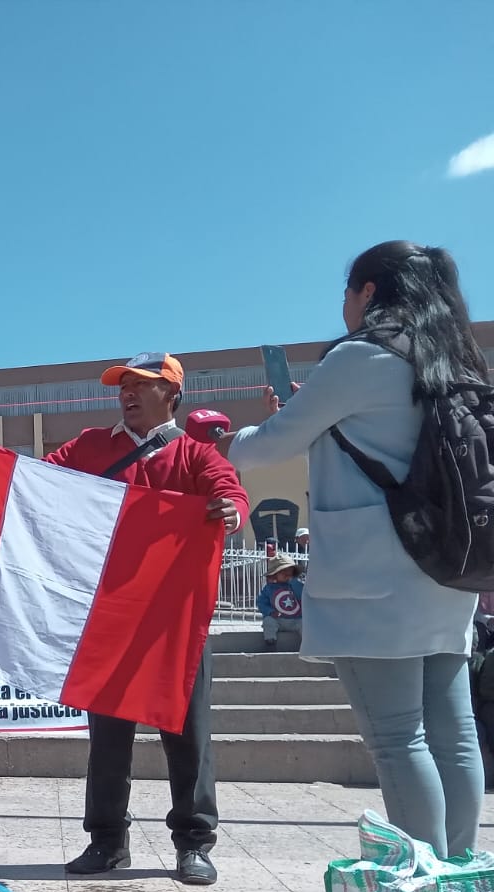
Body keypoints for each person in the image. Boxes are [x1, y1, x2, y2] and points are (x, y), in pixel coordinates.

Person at [214, 241, 485, 857]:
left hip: (376, 575)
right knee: (454, 733)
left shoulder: (362, 355)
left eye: (346, 292)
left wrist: (239, 437)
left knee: (397, 738)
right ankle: (461, 874)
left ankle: (422, 886)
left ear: (368, 292)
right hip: (450, 567)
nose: (343, 305)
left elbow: (268, 444)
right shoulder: (455, 357)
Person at [47, 352, 247, 886]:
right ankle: (107, 841)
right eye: (123, 385)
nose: (128, 393)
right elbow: (38, 481)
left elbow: (230, 493)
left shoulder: (195, 454)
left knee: (188, 735)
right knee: (107, 738)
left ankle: (194, 843)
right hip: (109, 617)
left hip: (175, 620)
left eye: (141, 384)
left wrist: (231, 512)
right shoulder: (90, 445)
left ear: (172, 394)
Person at [257, 554, 304, 651]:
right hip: (278, 619)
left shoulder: (297, 585)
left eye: (290, 571)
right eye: (283, 571)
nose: (287, 574)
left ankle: (308, 646)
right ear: (274, 574)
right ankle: (270, 643)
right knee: (268, 621)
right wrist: (270, 612)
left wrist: (294, 582)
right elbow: (261, 603)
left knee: (305, 625)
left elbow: (302, 596)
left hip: (296, 619)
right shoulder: (269, 588)